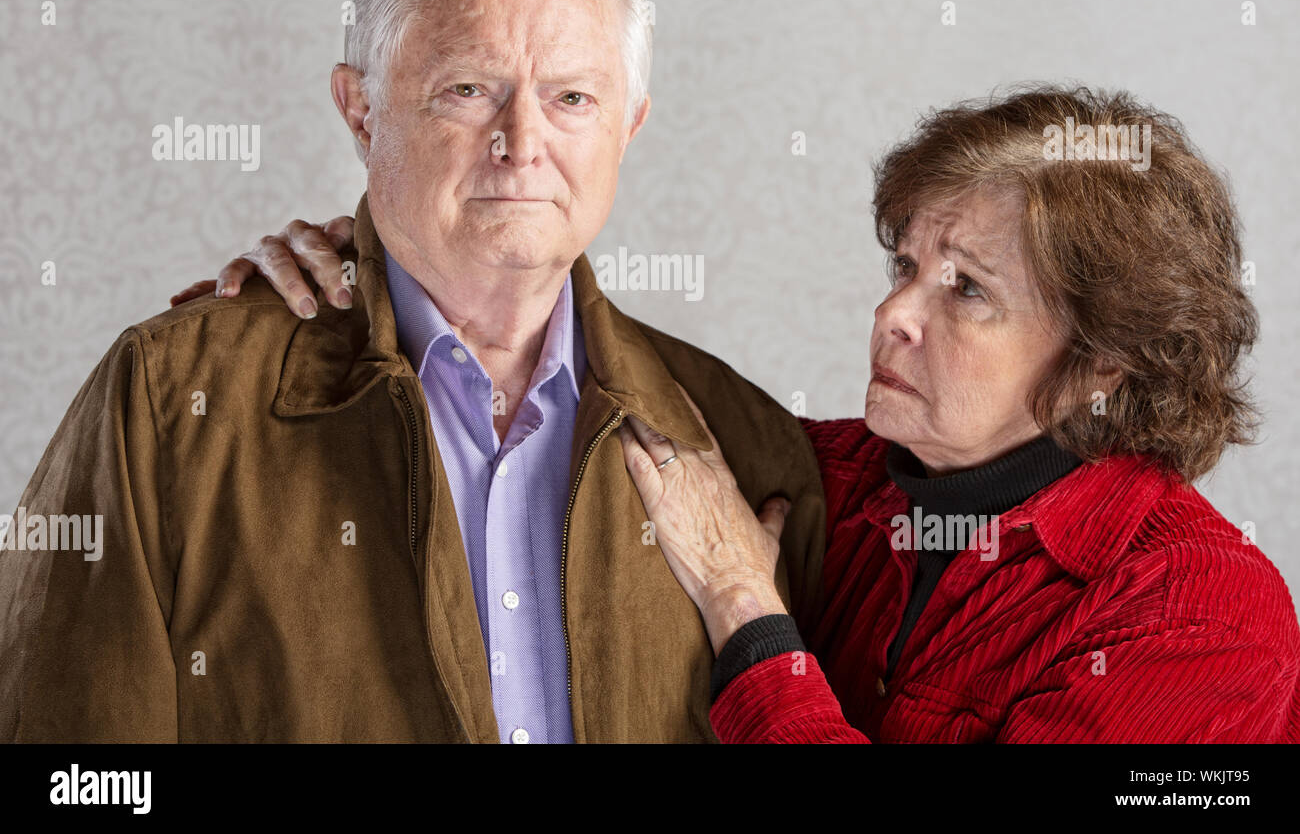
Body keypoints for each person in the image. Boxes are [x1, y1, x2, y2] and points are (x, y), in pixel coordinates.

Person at [212, 85, 1300, 742]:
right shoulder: (836, 475)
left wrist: (746, 606)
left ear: (1102, 364)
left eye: (964, 289)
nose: (893, 315)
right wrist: (372, 267)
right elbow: (565, 342)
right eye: (905, 264)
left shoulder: (1206, 616)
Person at [0, 0, 826, 743]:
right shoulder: (170, 402)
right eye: (467, 89)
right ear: (360, 111)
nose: (522, 140)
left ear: (630, 126)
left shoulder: (750, 445)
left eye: (572, 97)